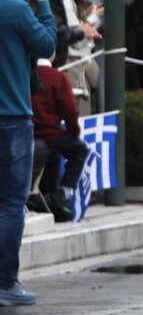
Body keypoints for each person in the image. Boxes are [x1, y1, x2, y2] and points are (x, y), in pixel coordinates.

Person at [0, 0, 57, 307]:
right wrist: (45, 3)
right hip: (13, 117)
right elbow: (48, 45)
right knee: (11, 203)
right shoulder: (18, 9)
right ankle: (6, 283)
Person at [28, 57, 86, 221]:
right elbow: (70, 110)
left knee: (52, 157)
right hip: (51, 133)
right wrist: (74, 131)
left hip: (28, 132)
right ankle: (64, 194)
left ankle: (47, 198)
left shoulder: (25, 74)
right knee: (80, 150)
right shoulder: (57, 76)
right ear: (52, 54)